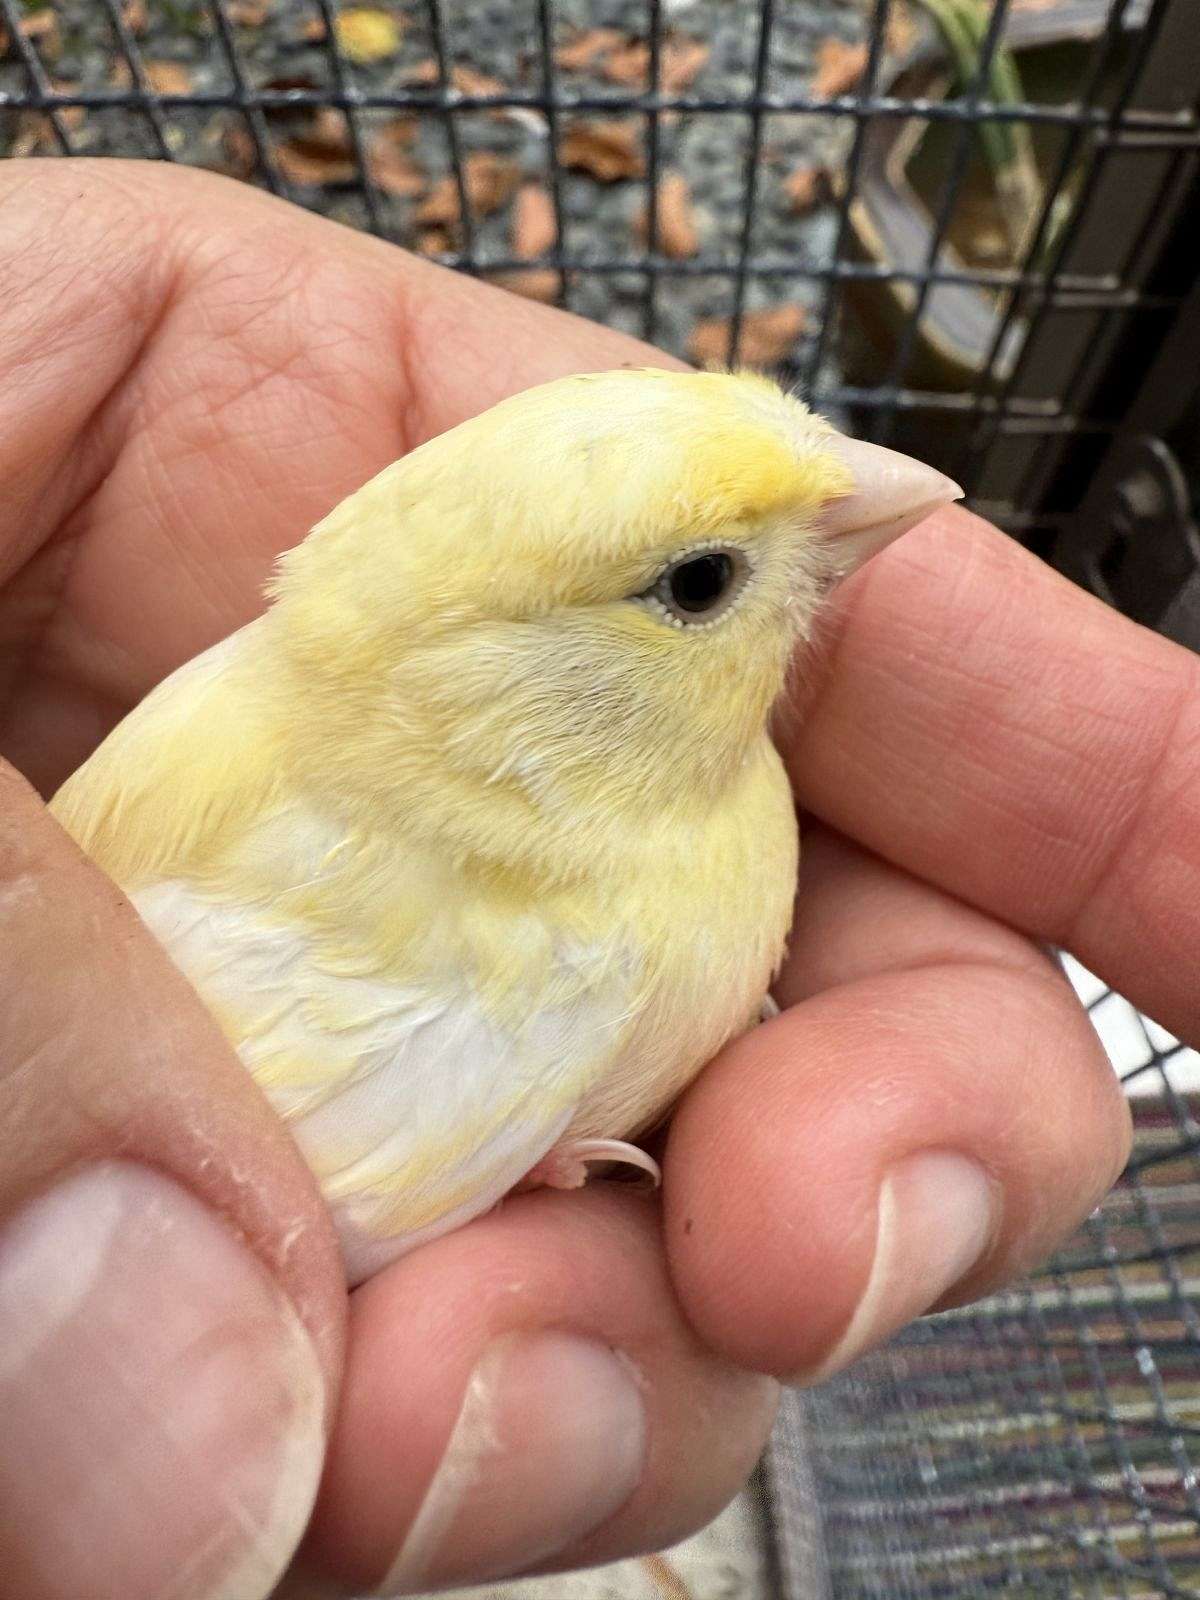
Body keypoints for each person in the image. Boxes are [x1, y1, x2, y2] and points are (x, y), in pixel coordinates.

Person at [0, 158, 1188, 1600]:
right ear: (513, 707)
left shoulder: (365, 732)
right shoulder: (508, 944)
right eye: (701, 586)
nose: (894, 502)